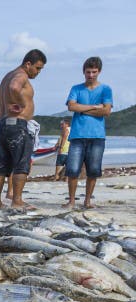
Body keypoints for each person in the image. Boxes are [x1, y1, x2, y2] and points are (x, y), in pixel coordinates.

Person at [0, 49, 47, 209]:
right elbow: (15, 88)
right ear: (28, 64)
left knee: (1, 166)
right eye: (37, 68)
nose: (38, 72)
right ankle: (17, 200)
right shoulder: (20, 76)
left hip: (2, 124)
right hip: (18, 126)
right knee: (22, 164)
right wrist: (21, 105)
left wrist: (2, 115)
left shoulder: (7, 76)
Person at [63, 56, 113, 209]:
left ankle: (87, 201)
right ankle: (71, 201)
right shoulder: (76, 88)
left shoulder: (105, 89)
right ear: (83, 72)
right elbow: (71, 107)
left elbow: (106, 111)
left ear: (99, 72)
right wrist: (95, 107)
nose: (90, 75)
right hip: (77, 135)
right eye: (88, 72)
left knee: (93, 171)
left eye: (94, 72)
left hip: (97, 136)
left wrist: (83, 109)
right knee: (72, 170)